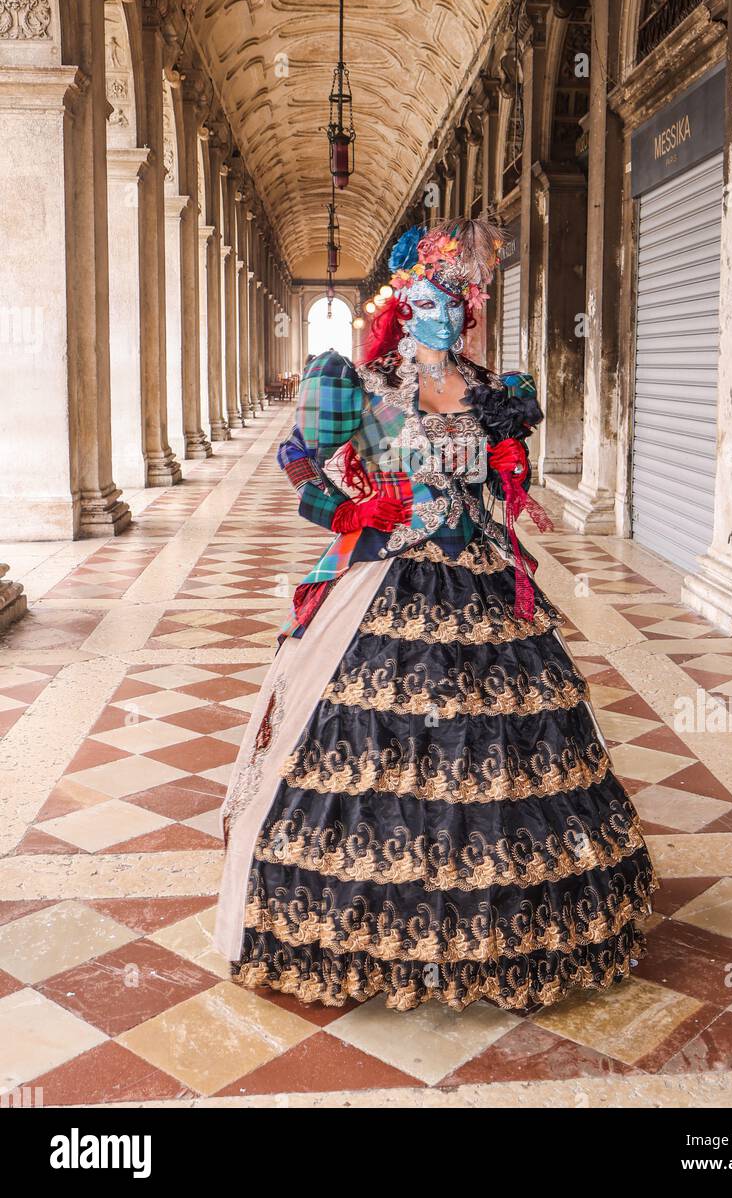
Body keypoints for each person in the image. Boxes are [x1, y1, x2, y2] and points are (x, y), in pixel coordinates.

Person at [213, 218, 659, 1011]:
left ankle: (491, 937)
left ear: (470, 309)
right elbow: (297, 460)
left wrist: (515, 494)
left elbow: (498, 484)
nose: (441, 316)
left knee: (498, 748)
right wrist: (355, 510)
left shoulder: (497, 393)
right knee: (373, 746)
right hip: (392, 576)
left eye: (455, 302)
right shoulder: (372, 389)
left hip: (486, 577)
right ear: (402, 308)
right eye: (426, 301)